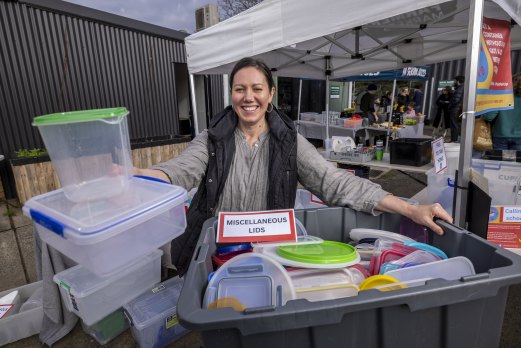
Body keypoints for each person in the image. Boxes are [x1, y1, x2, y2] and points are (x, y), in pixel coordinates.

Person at [135, 57, 452, 274]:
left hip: (268, 256)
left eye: (257, 89)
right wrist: (141, 179)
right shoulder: (211, 139)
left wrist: (410, 209)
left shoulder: (289, 143)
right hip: (215, 256)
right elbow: (180, 169)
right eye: (240, 89)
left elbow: (334, 182)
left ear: (270, 94)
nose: (249, 97)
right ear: (231, 94)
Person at [482, 73, 521, 150]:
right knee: (517, 161)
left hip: (500, 135)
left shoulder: (502, 96)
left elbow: (488, 117)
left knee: (499, 161)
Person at [448, 75, 465, 142]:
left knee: (454, 126)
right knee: (457, 125)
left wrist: (450, 107)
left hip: (455, 110)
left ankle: (454, 140)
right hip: (458, 109)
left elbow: (455, 100)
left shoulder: (460, 88)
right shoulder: (462, 87)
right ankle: (456, 140)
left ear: (458, 81)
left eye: (455, 81)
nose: (454, 82)